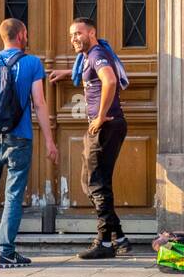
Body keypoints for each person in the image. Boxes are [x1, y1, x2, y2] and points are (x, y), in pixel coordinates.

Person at [0, 18, 58, 268]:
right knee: (13, 195)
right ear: (22, 35)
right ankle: (5, 252)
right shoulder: (31, 63)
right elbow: (39, 103)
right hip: (19, 139)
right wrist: (50, 141)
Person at [47, 18, 130, 260]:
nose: (73, 38)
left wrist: (101, 116)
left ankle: (104, 241)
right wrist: (65, 72)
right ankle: (119, 237)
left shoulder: (96, 54)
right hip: (106, 125)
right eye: (72, 35)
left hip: (106, 125)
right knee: (92, 182)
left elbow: (110, 80)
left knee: (96, 183)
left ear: (91, 33)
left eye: (78, 33)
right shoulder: (90, 56)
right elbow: (93, 77)